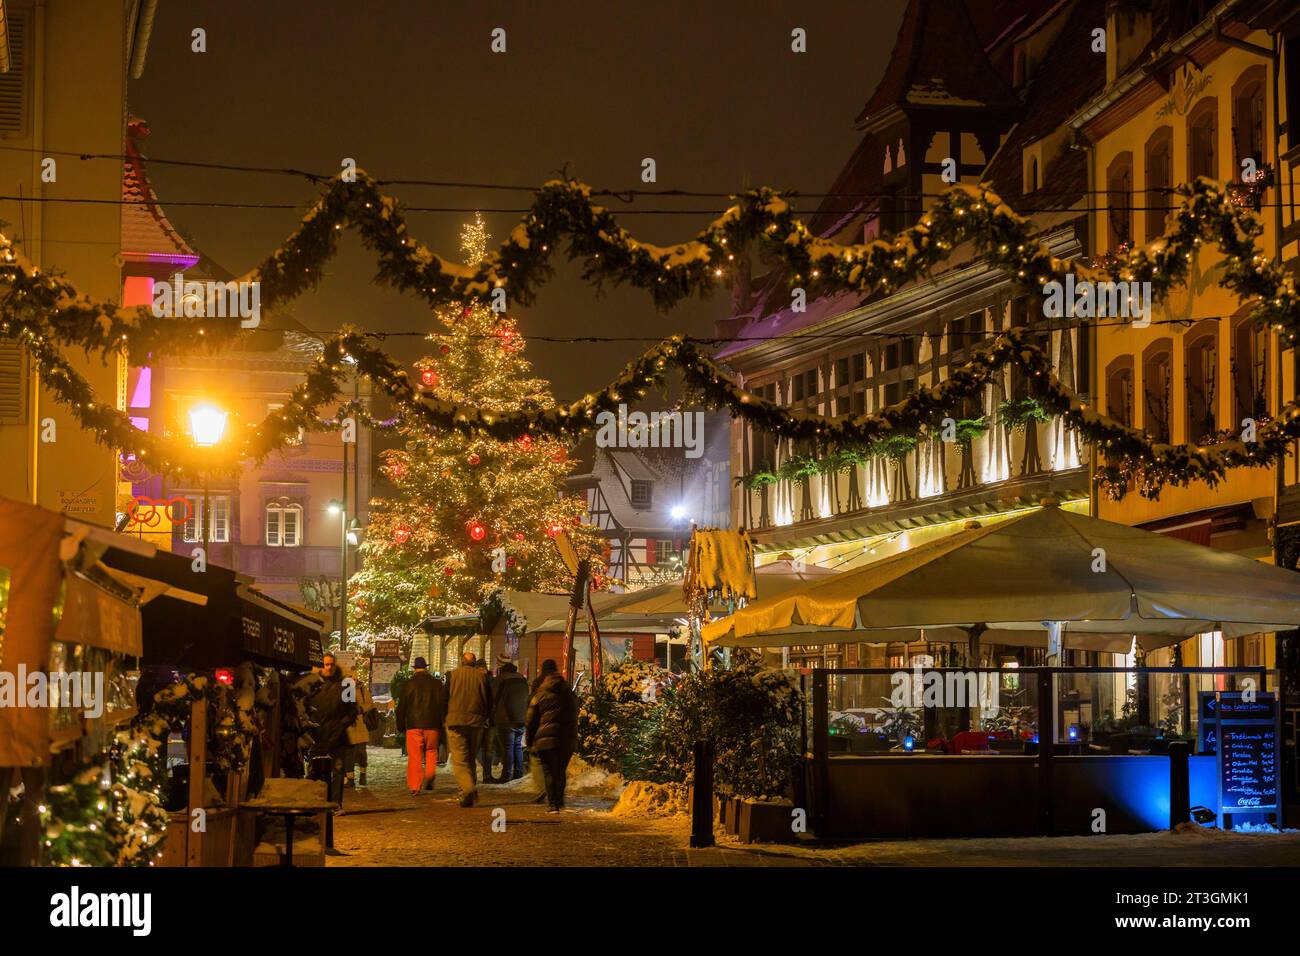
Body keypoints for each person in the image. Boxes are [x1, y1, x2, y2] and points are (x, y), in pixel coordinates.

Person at [525, 658, 579, 813]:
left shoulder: (540, 694)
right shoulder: (569, 694)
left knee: (548, 771)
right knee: (560, 770)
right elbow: (575, 715)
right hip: (566, 739)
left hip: (545, 739)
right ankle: (560, 800)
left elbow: (531, 720)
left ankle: (553, 804)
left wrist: (530, 740)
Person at [304, 653, 358, 804]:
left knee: (338, 771)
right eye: (326, 664)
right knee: (313, 770)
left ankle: (335, 803)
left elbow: (352, 710)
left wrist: (342, 724)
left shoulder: (346, 684)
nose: (329, 667)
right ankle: (314, 802)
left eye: (331, 664)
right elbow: (306, 706)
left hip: (337, 735)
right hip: (317, 733)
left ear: (335, 665)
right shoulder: (313, 685)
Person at [445, 651, 493, 807]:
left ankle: (467, 788)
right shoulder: (482, 677)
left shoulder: (452, 676)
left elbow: (443, 698)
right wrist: (485, 716)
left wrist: (444, 718)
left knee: (460, 760)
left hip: (455, 722)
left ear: (461, 662)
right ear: (474, 663)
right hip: (476, 723)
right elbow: (489, 700)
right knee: (470, 757)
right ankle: (468, 793)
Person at [395, 657, 447, 796]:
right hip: (433, 724)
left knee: (415, 756)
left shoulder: (408, 684)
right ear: (426, 668)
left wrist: (400, 726)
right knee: (431, 751)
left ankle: (415, 786)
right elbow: (443, 705)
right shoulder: (437, 684)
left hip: (413, 725)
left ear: (414, 668)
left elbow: (402, 708)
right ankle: (430, 775)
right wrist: (442, 722)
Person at [492, 654, 530, 781]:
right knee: (517, 746)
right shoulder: (521, 678)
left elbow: (494, 698)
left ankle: (506, 774)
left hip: (506, 719)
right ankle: (518, 773)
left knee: (507, 747)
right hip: (521, 718)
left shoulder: (501, 679)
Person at [343, 663, 379, 788]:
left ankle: (363, 775)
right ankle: (350, 779)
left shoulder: (362, 689)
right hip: (349, 726)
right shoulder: (345, 688)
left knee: (361, 753)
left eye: (353, 677)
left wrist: (360, 709)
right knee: (349, 754)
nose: (352, 679)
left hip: (361, 725)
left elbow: (370, 704)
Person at [476, 657, 498, 784]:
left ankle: (484, 774)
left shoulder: (487, 681)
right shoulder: (492, 681)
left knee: (483, 748)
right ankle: (487, 774)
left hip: (484, 719)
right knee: (486, 748)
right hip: (487, 719)